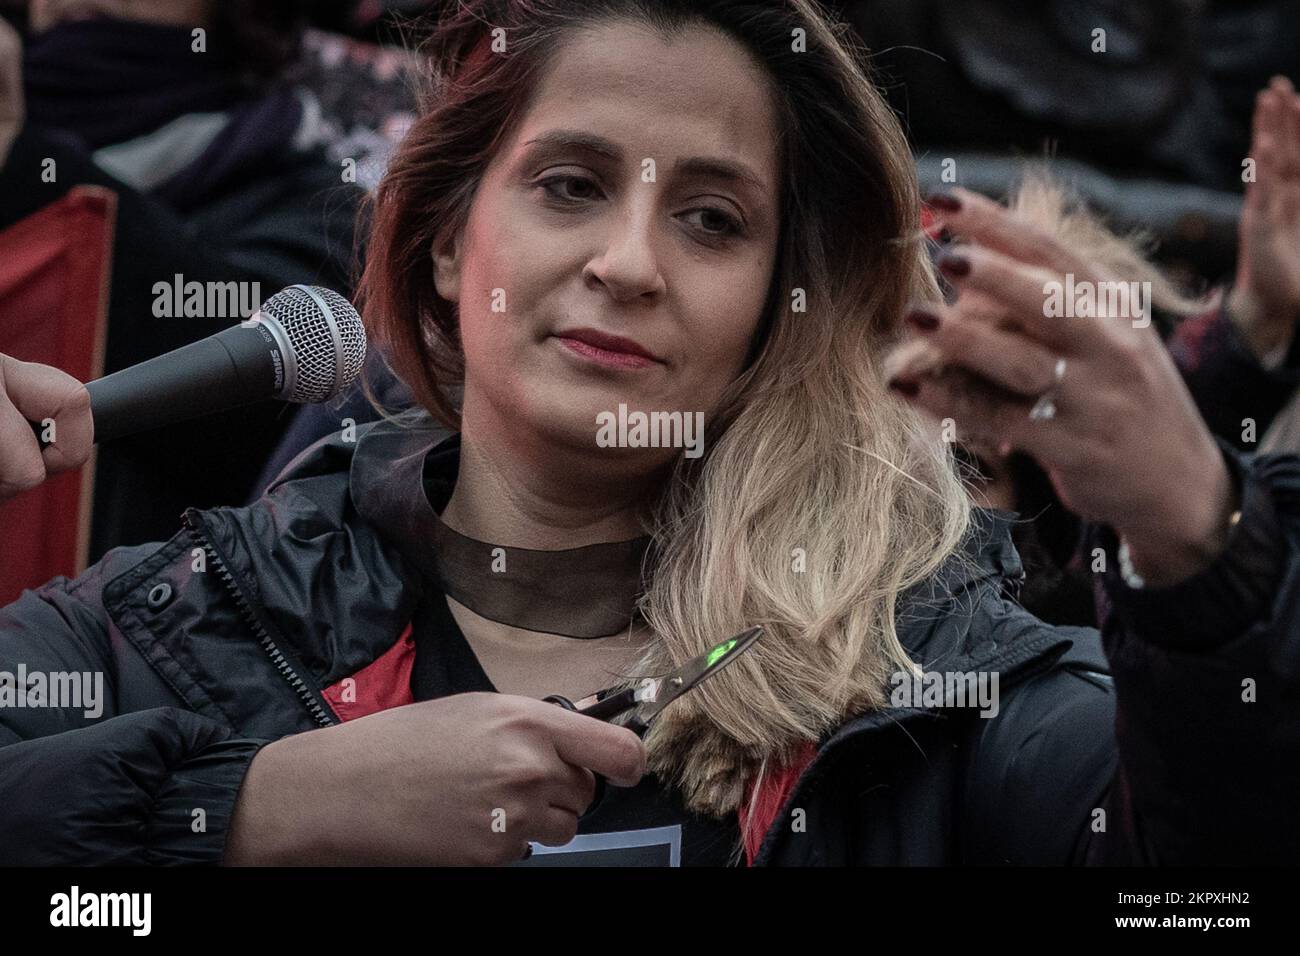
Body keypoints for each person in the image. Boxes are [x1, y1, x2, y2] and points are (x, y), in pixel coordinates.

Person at [1, 0, 1297, 866]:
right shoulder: (179, 623)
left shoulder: (932, 679)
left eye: (714, 220)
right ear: (449, 239)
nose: (629, 262)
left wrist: (1200, 541)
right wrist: (250, 809)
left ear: (779, 304)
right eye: (571, 186)